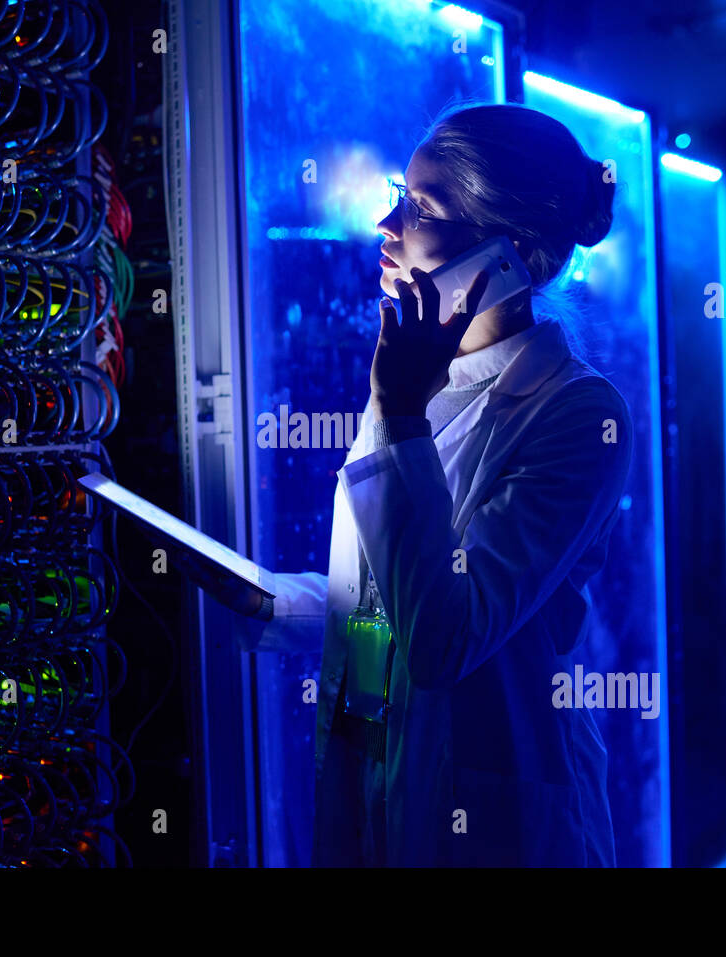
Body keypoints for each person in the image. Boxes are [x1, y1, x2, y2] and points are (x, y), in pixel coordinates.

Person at [232, 102, 634, 866]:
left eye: (421, 206)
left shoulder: (579, 414)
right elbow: (394, 593)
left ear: (505, 252)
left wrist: (400, 414)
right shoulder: (423, 381)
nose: (386, 222)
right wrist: (273, 600)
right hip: (379, 771)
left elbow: (447, 639)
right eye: (397, 192)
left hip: (491, 822)